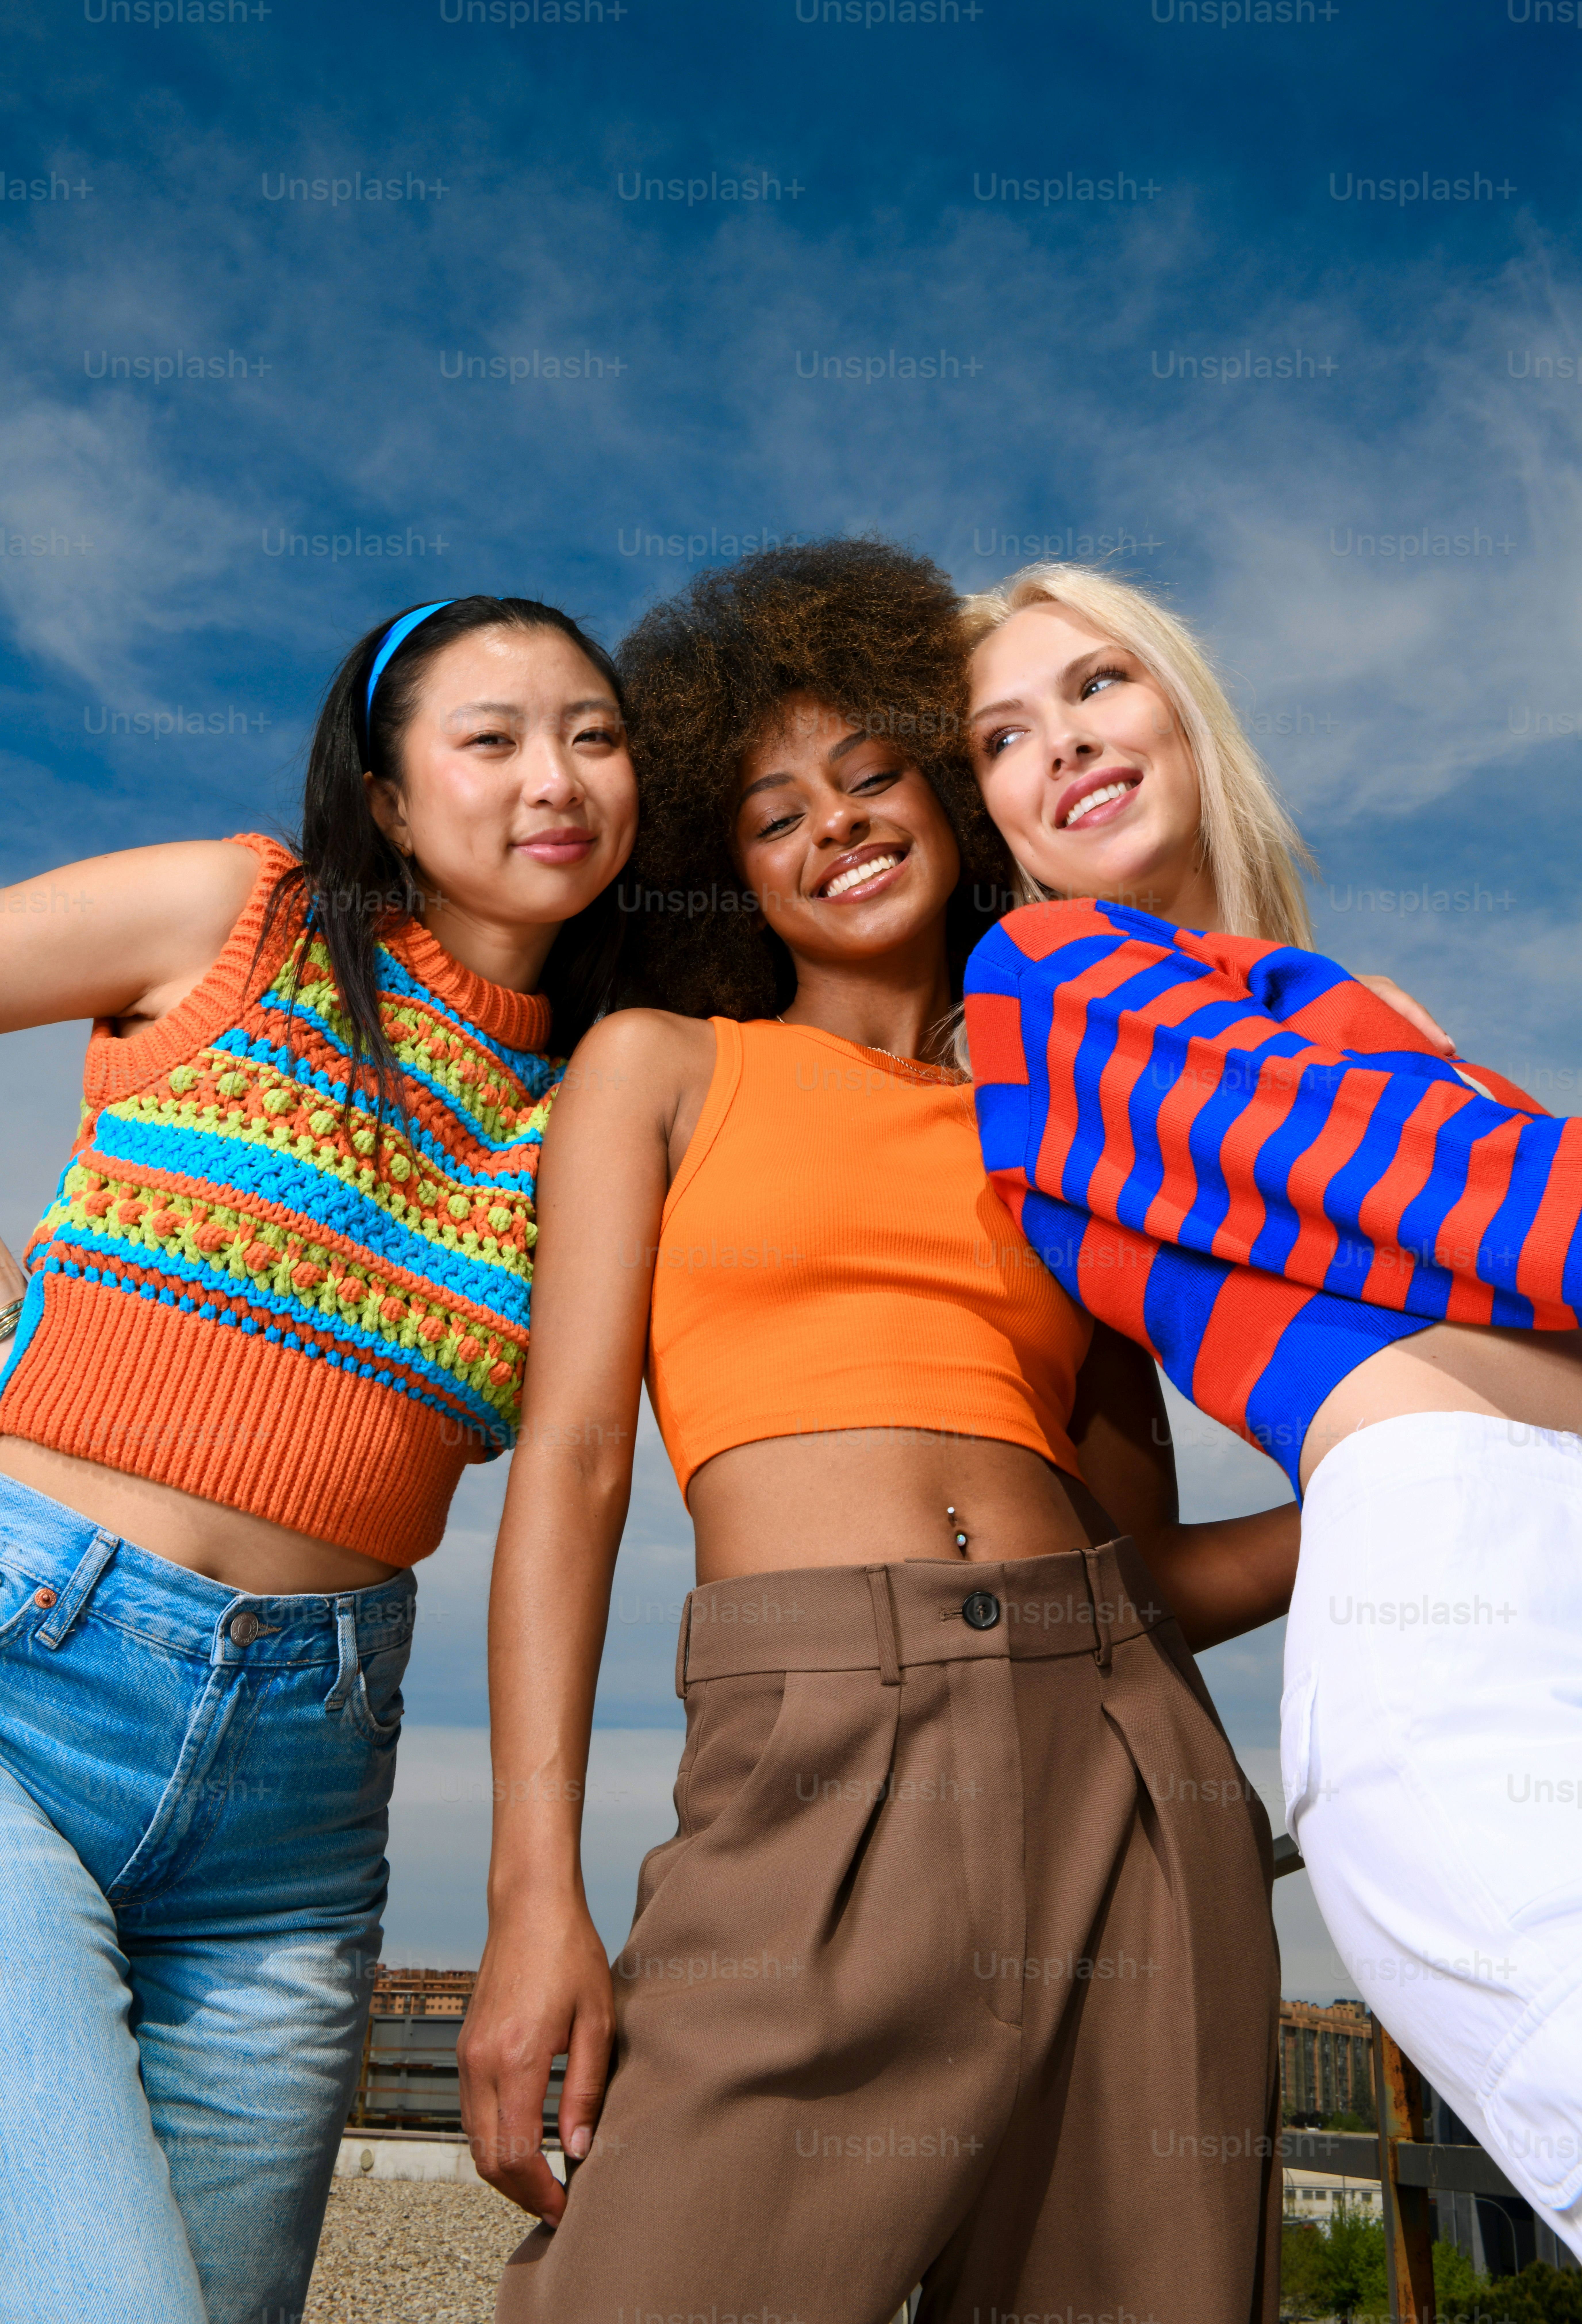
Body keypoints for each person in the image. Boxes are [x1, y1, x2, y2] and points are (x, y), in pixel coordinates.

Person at [459, 541, 1293, 2324]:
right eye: (770, 814)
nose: (831, 827)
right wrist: (537, 1888)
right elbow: (578, 1467)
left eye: (869, 775)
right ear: (722, 869)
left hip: (1128, 1753)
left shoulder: (1063, 1121)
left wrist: (1422, 1496)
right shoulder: (668, 1069)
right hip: (814, 1740)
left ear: (950, 796)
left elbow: (1154, 1571)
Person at [0, 595, 637, 2324]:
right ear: (385, 790)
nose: (555, 776)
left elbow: (581, 1479)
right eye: (490, 738)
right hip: (23, 1672)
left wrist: (537, 1895)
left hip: (303, 1799)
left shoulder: (611, 1101)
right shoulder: (241, 912)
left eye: (594, 733)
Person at [958, 559, 1582, 2254]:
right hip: (1471, 1646)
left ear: (1183, 702)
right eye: (1004, 737)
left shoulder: (1325, 995)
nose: (1064, 744)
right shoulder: (1048, 981)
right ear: (995, 817)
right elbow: (1460, 1200)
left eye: (1096, 685)